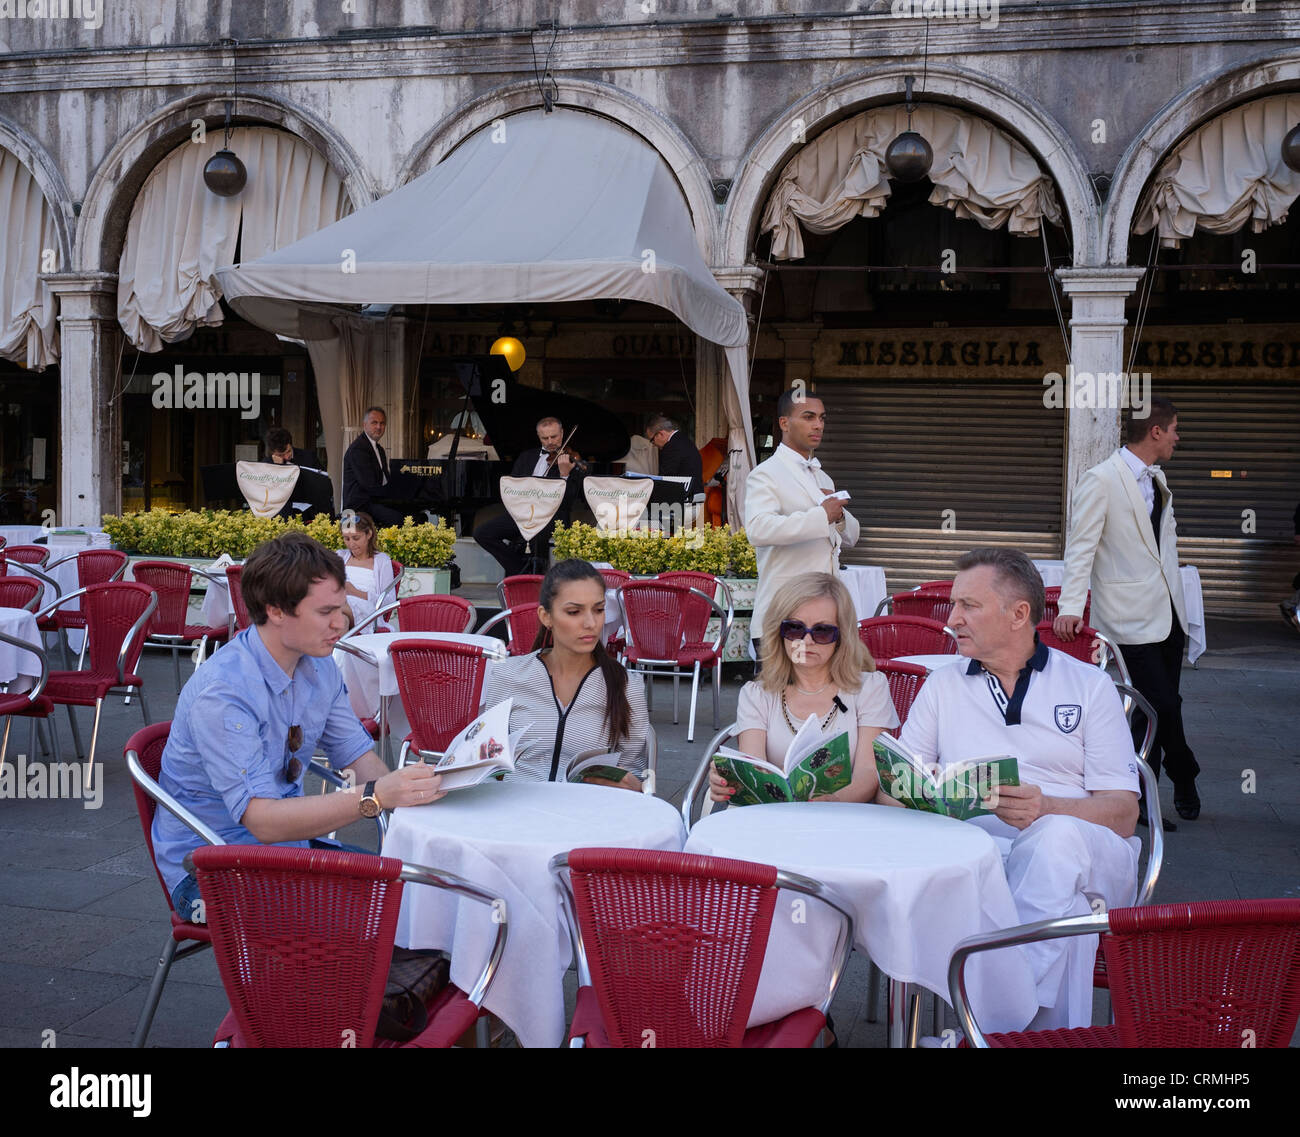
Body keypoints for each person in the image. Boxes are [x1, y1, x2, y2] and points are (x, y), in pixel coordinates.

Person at [897, 547, 1140, 1030]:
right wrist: (925, 792)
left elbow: (1123, 815)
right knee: (1069, 916)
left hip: (1090, 858)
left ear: (1019, 614)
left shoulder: (1090, 686)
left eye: (969, 605)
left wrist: (1046, 807)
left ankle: (997, 1013)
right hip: (982, 862)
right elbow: (900, 787)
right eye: (953, 604)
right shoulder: (942, 687)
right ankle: (1024, 1033)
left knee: (1055, 836)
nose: (952, 618)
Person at [151, 532, 444, 922]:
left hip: (283, 851)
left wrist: (416, 793)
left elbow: (356, 757)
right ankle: (343, 983)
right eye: (325, 612)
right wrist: (375, 796)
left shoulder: (318, 664)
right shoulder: (223, 693)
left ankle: (367, 982)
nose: (341, 623)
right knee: (387, 911)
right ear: (275, 610)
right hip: (208, 870)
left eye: (342, 608)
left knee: (427, 891)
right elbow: (263, 821)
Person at [1053, 397, 1199, 827]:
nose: (1177, 436)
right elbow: (1080, 548)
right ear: (1155, 431)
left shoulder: (1157, 478)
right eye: (1174, 428)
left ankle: (1132, 798)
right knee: (1162, 704)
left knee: (1151, 709)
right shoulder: (1100, 481)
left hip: (1167, 613)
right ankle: (1184, 772)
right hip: (1125, 617)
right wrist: (1069, 607)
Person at [708, 572, 898, 805]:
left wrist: (833, 802)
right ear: (779, 633)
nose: (806, 642)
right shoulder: (757, 695)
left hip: (845, 820)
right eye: (795, 629)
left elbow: (868, 773)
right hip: (774, 820)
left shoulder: (869, 688)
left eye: (822, 631)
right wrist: (730, 780)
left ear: (842, 637)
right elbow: (754, 766)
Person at [480, 558, 646, 787]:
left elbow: (635, 772)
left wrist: (631, 784)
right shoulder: (508, 676)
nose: (590, 623)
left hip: (589, 815)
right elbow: (486, 760)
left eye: (598, 610)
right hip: (515, 812)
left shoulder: (627, 685)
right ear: (546, 616)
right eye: (574, 612)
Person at [744, 389, 860, 660]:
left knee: (821, 699)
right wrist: (822, 516)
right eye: (808, 417)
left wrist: (839, 516)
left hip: (825, 617)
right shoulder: (764, 475)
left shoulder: (824, 478)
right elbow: (758, 529)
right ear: (784, 423)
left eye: (821, 418)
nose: (818, 425)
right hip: (784, 615)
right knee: (778, 700)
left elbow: (851, 537)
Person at [473, 416, 584, 577]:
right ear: (539, 437)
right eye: (545, 438)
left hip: (551, 517)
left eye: (554, 436)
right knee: (482, 533)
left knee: (537, 532)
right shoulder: (526, 457)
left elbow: (567, 503)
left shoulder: (569, 461)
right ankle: (520, 570)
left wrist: (564, 475)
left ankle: (533, 576)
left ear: (562, 433)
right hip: (522, 514)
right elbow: (513, 489)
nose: (550, 441)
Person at [343, 407, 404, 526]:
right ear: (365, 425)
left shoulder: (379, 449)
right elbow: (369, 485)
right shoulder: (359, 448)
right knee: (398, 519)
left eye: (382, 423)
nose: (379, 427)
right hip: (359, 505)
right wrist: (393, 494)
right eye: (374, 423)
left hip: (373, 500)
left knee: (412, 515)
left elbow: (386, 480)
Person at [338, 511, 397, 632]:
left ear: (369, 534)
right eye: (347, 539)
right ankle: (341, 651)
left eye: (356, 538)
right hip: (342, 607)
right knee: (341, 621)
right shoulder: (340, 556)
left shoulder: (381, 560)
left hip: (369, 612)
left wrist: (355, 592)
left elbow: (389, 601)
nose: (351, 544)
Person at [646, 415, 704, 497]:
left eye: (652, 440)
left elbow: (665, 478)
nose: (653, 445)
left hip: (683, 498)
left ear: (660, 434)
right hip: (695, 493)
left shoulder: (671, 447)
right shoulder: (683, 439)